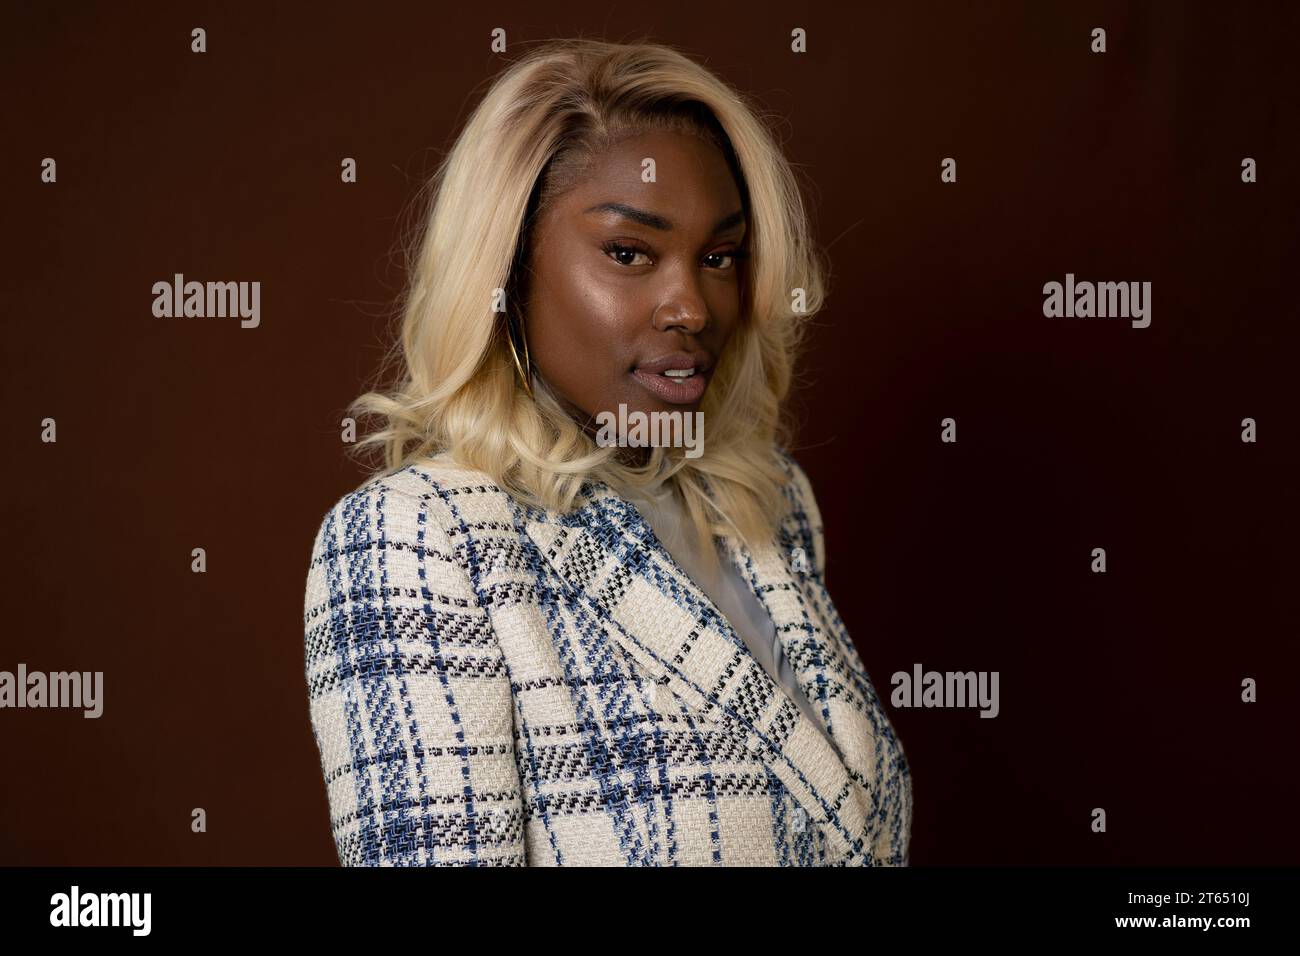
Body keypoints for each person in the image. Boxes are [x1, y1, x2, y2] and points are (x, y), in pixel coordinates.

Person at [303, 37, 912, 866]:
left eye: (719, 257)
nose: (691, 306)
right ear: (506, 274)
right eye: (630, 254)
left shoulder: (770, 506)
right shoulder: (416, 538)